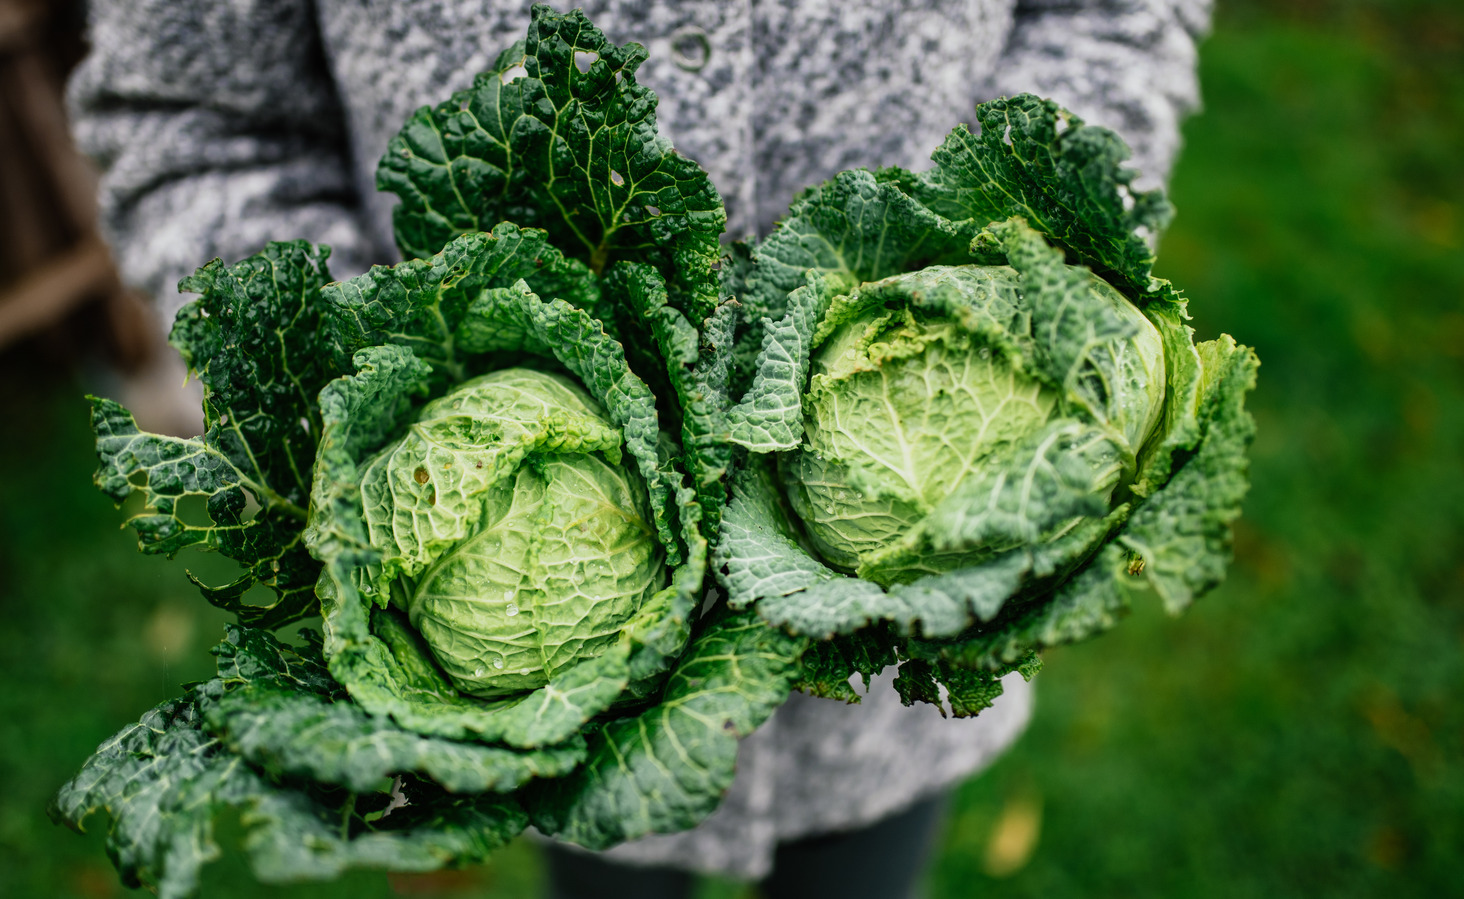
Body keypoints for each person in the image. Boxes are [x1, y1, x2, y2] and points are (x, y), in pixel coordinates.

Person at [68, 2, 1212, 896]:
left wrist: (1022, 268)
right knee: (600, 853)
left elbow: (1113, 12)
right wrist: (383, 386)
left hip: (921, 612)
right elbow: (190, 115)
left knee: (872, 859)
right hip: (546, 693)